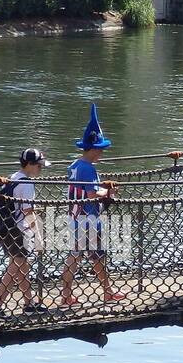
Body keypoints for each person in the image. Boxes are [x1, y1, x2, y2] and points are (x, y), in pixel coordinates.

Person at [59, 104, 126, 305]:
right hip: (88, 220)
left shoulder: (74, 165)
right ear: (94, 149)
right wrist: (109, 192)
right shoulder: (88, 168)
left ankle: (71, 295)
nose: (102, 153)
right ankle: (105, 292)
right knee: (91, 256)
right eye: (101, 150)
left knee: (80, 257)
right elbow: (91, 193)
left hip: (74, 217)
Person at [0, 147, 48, 315]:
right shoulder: (27, 183)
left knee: (22, 266)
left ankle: (29, 303)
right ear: (29, 164)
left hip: (5, 228)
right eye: (39, 165)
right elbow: (29, 213)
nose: (41, 168)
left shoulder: (14, 178)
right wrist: (38, 238)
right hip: (17, 230)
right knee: (15, 267)